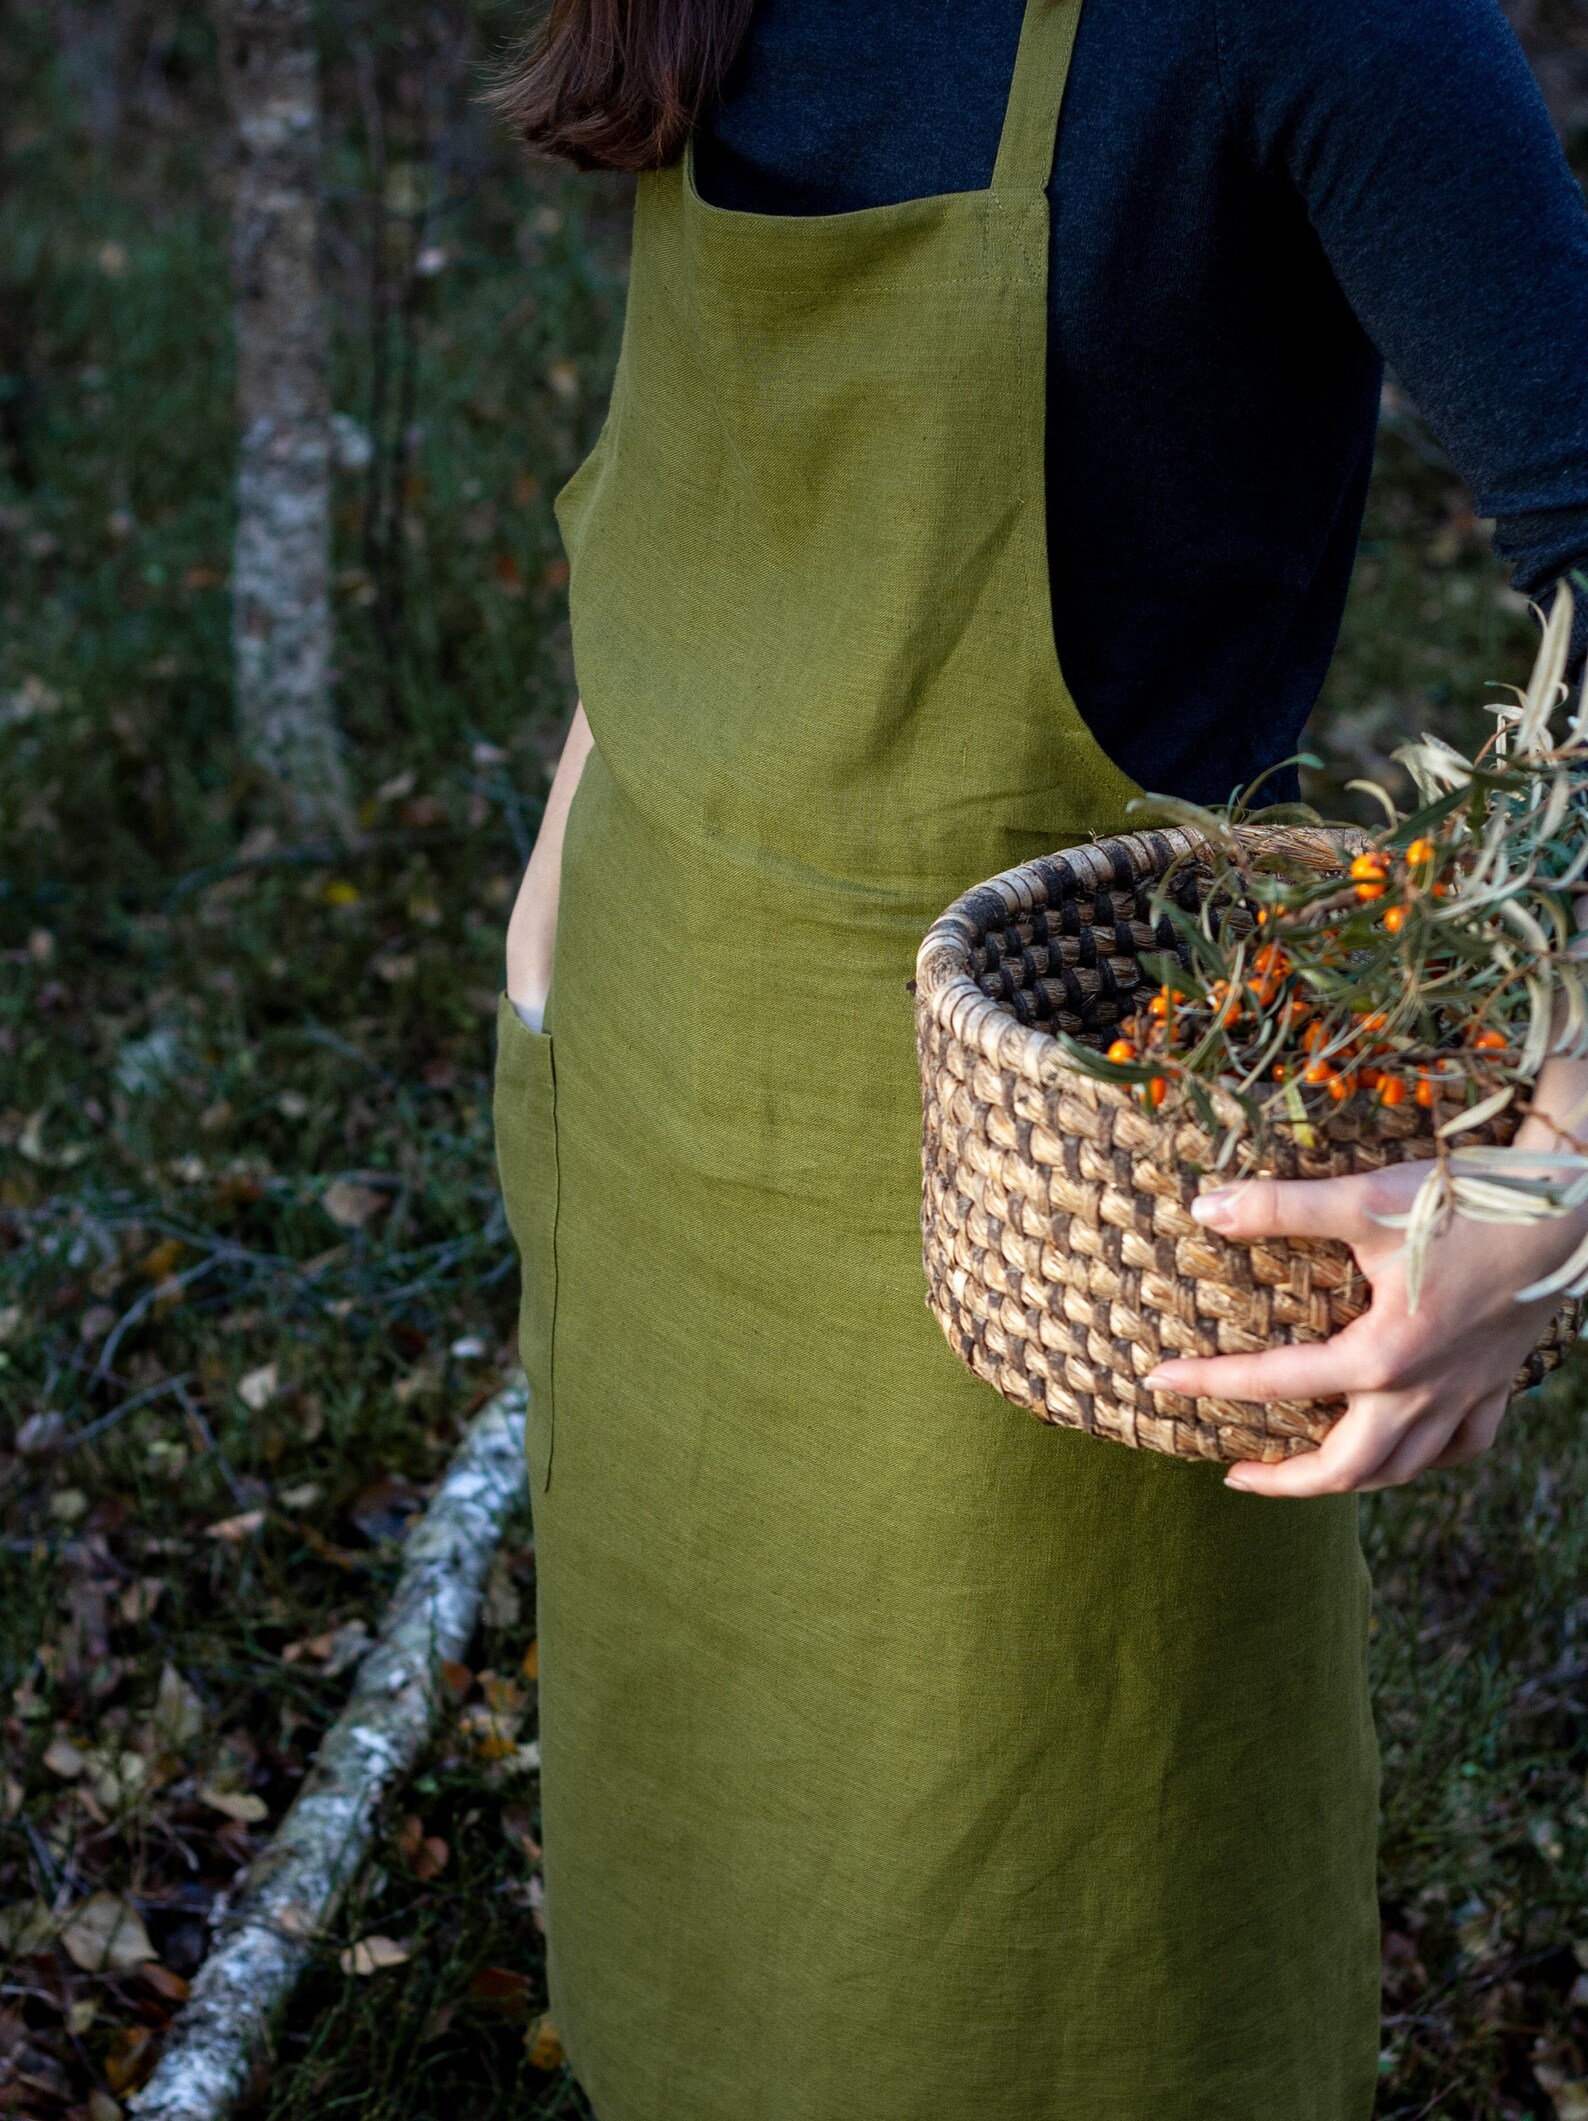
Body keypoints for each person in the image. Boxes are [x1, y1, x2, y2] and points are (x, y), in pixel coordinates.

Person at [490, 1, 1588, 2113]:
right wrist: (546, 960)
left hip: (1052, 1254)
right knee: (692, 1929)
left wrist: (1551, 1179)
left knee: (1030, 1982)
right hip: (655, 1118)